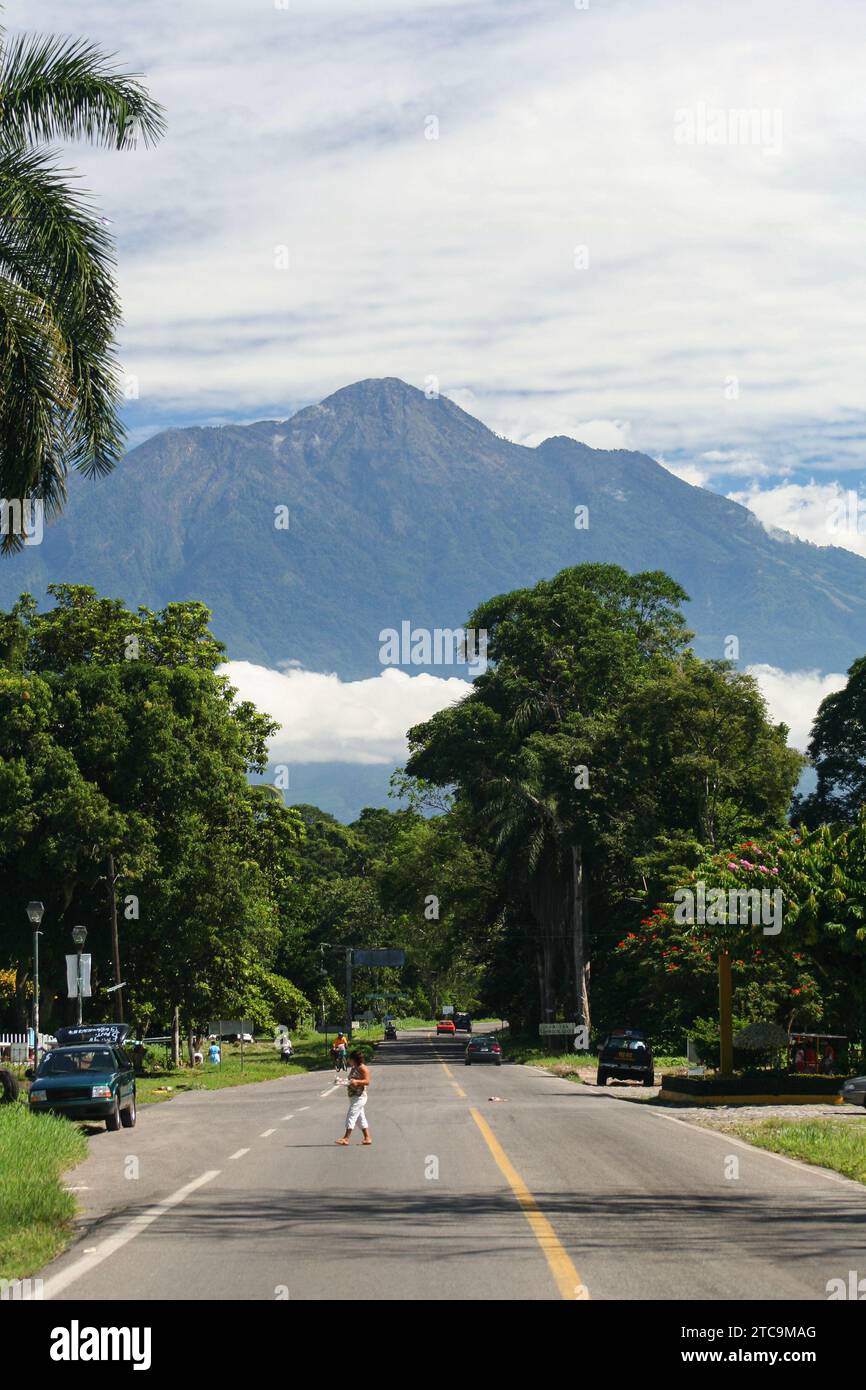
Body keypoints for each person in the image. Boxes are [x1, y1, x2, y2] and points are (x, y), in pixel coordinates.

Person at [336, 1050, 371, 1145]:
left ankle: (346, 1138)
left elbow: (367, 1081)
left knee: (351, 1115)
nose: (348, 1060)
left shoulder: (363, 1068)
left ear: (354, 1059)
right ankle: (367, 1138)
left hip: (360, 1097)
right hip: (353, 1096)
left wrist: (357, 1082)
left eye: (350, 1059)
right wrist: (341, 1081)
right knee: (360, 1118)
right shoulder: (354, 1068)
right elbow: (350, 1080)